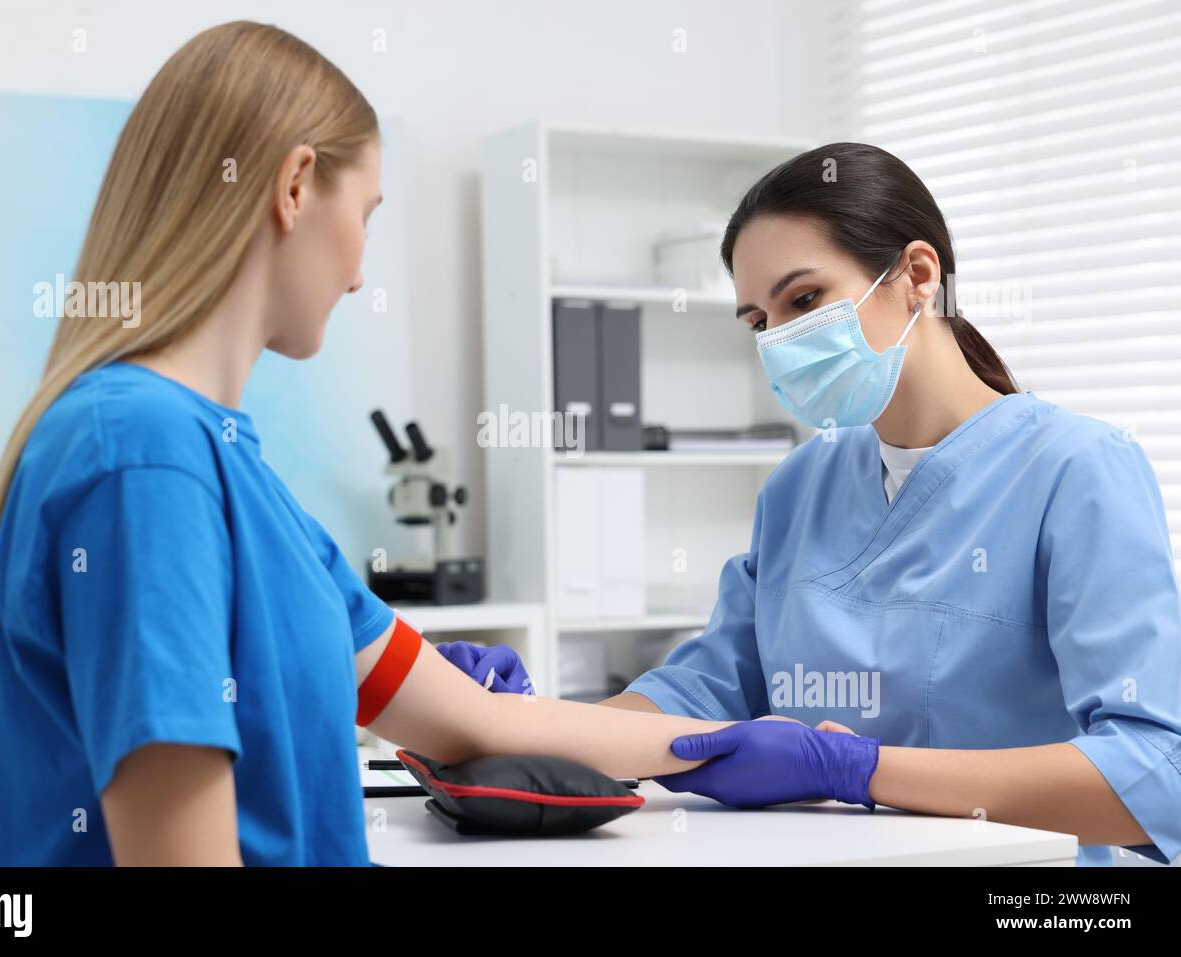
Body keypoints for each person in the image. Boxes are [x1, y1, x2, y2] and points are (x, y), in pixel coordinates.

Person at [0, 21, 783, 866]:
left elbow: (484, 720)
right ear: (297, 185)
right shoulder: (144, 457)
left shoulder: (237, 475)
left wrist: (734, 743)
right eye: (368, 214)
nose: (359, 274)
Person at [441, 143, 1181, 866]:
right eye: (760, 321)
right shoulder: (800, 487)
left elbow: (1157, 773)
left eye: (804, 299)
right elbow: (701, 694)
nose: (782, 338)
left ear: (918, 275)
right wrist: (519, 722)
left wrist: (856, 769)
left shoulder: (1076, 469)